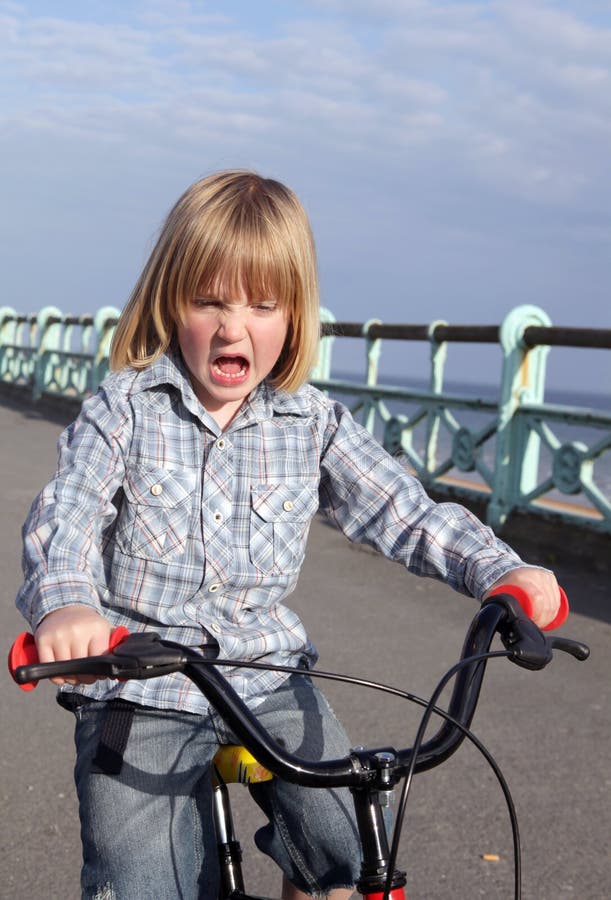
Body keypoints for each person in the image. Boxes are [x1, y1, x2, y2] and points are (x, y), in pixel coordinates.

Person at [16, 170, 561, 900]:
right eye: (208, 300)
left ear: (295, 315)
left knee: (356, 844)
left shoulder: (313, 421)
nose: (233, 327)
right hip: (140, 689)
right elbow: (68, 511)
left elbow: (404, 510)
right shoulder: (125, 408)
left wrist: (500, 572)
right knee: (143, 876)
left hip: (267, 678)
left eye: (262, 304)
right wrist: (67, 606)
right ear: (170, 301)